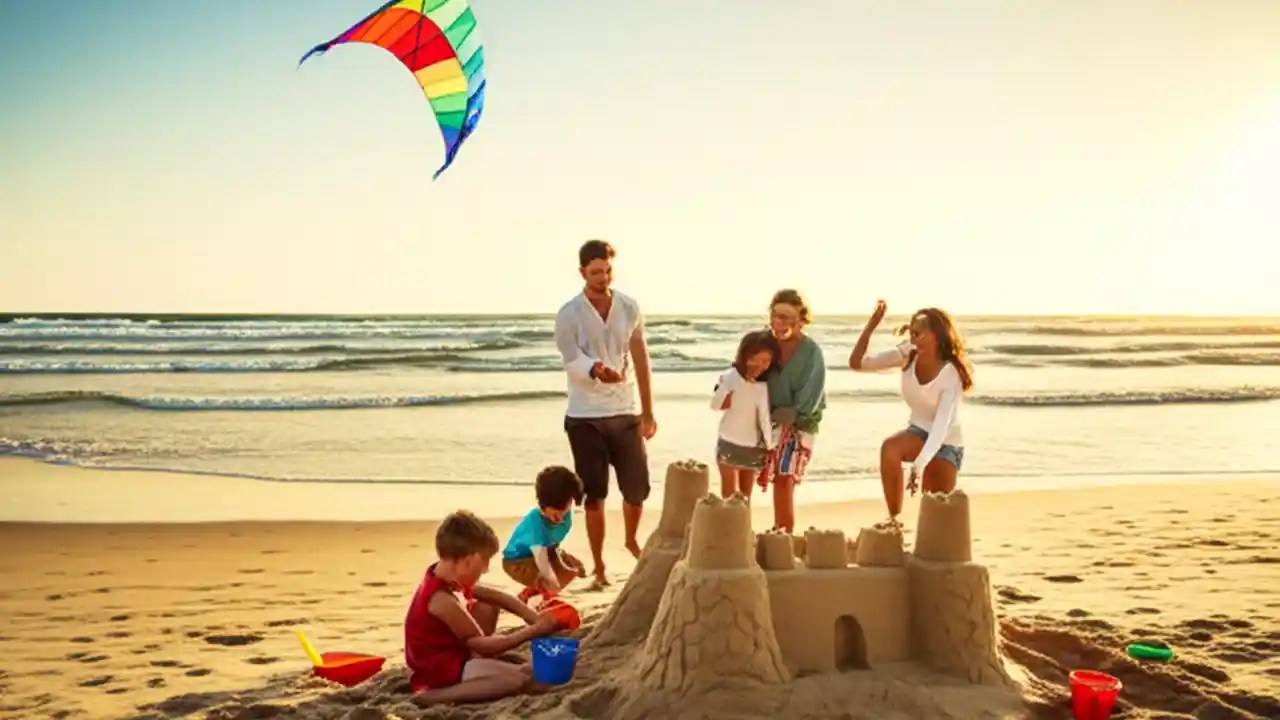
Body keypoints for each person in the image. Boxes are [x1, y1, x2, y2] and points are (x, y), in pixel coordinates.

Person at [552, 239, 657, 588]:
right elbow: (570, 359)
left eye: (608, 270)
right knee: (594, 495)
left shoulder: (629, 307)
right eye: (596, 272)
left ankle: (630, 539)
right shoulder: (569, 313)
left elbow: (641, 358)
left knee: (637, 489)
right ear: (582, 272)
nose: (603, 277)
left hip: (625, 412)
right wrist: (595, 369)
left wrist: (648, 411)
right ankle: (599, 566)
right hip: (585, 417)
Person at [405, 510, 561, 704]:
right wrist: (532, 631)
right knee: (516, 680)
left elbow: (498, 597)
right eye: (484, 562)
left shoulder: (447, 574)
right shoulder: (442, 601)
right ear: (466, 561)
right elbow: (482, 645)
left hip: (454, 651)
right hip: (437, 669)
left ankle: (479, 667)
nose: (486, 569)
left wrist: (532, 617)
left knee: (489, 603)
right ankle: (433, 697)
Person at [848, 301, 974, 527]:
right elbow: (858, 363)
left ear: (936, 335)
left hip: (947, 445)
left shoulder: (950, 375)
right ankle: (894, 520)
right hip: (917, 433)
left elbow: (941, 428)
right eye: (911, 333)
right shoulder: (907, 355)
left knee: (937, 521)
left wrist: (919, 465)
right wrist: (872, 325)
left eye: (918, 333)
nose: (913, 339)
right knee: (890, 448)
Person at [760, 289, 827, 533]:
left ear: (800, 319)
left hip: (800, 423)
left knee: (784, 474)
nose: (778, 322)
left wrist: (787, 418)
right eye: (775, 315)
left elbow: (810, 398)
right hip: (765, 419)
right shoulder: (762, 343)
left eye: (786, 317)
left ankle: (783, 532)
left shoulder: (811, 353)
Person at [710, 330, 780, 501]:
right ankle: (729, 527)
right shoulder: (729, 377)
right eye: (759, 359)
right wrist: (724, 389)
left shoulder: (762, 387)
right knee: (728, 495)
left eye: (767, 361)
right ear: (747, 356)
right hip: (728, 441)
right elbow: (715, 405)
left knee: (745, 496)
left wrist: (770, 447)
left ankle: (742, 527)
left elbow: (764, 419)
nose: (763, 365)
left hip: (752, 446)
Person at [502, 465, 588, 603]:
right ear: (543, 503)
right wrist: (551, 582)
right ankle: (543, 600)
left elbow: (552, 543)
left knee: (572, 570)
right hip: (517, 561)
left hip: (547, 550)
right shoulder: (536, 524)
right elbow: (541, 558)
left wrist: (567, 559)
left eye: (564, 509)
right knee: (546, 580)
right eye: (555, 512)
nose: (560, 517)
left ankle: (531, 594)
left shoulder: (566, 516)